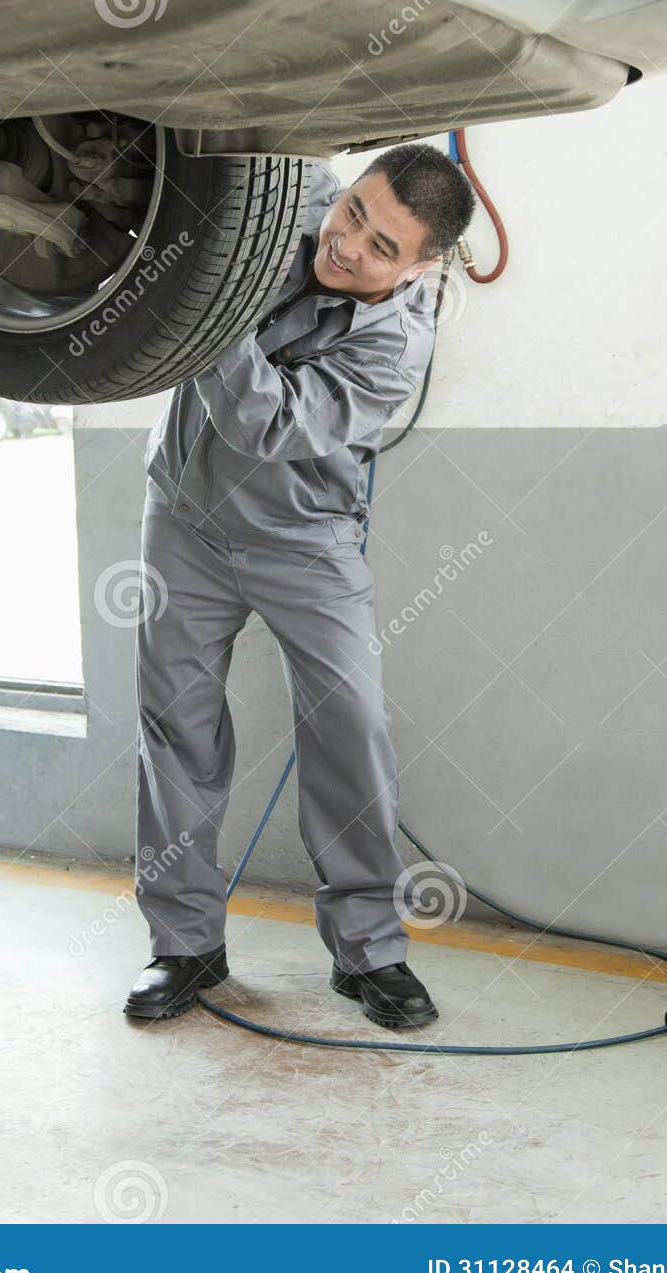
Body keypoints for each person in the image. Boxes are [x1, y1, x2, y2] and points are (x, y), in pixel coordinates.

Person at [124, 142, 476, 1027]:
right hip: (186, 518)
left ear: (421, 267)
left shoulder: (396, 345)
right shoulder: (290, 208)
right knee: (176, 731)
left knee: (349, 731)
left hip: (304, 543)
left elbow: (261, 420)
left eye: (383, 246)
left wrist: (211, 303)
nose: (348, 244)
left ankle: (369, 955)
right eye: (353, 210)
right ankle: (184, 947)